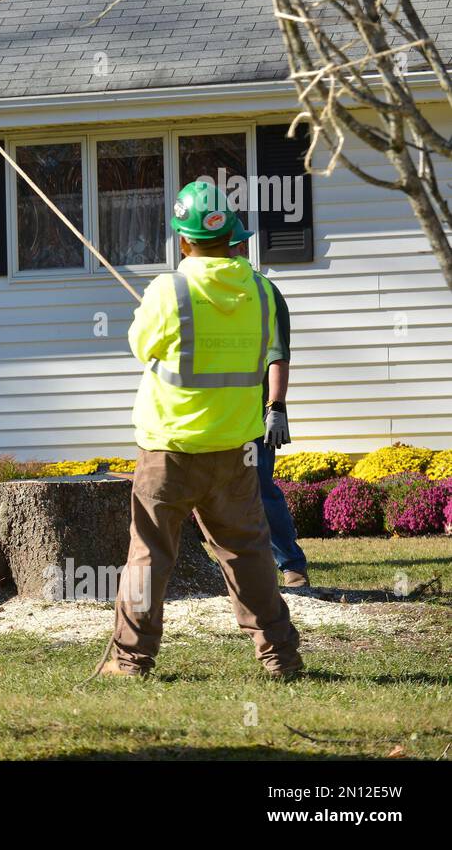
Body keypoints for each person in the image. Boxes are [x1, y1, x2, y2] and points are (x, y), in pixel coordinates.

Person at [104, 182, 302, 680]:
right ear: (233, 234)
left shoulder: (167, 289)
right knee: (249, 555)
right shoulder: (260, 290)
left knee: (149, 557)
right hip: (236, 449)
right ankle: (279, 654)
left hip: (169, 449)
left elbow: (140, 346)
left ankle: (130, 662)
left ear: (183, 241)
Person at [230, 223, 310, 588]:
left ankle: (291, 564)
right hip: (214, 416)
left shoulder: (263, 294)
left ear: (239, 250)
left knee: (260, 488)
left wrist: (274, 407)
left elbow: (277, 357)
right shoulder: (204, 294)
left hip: (254, 416)